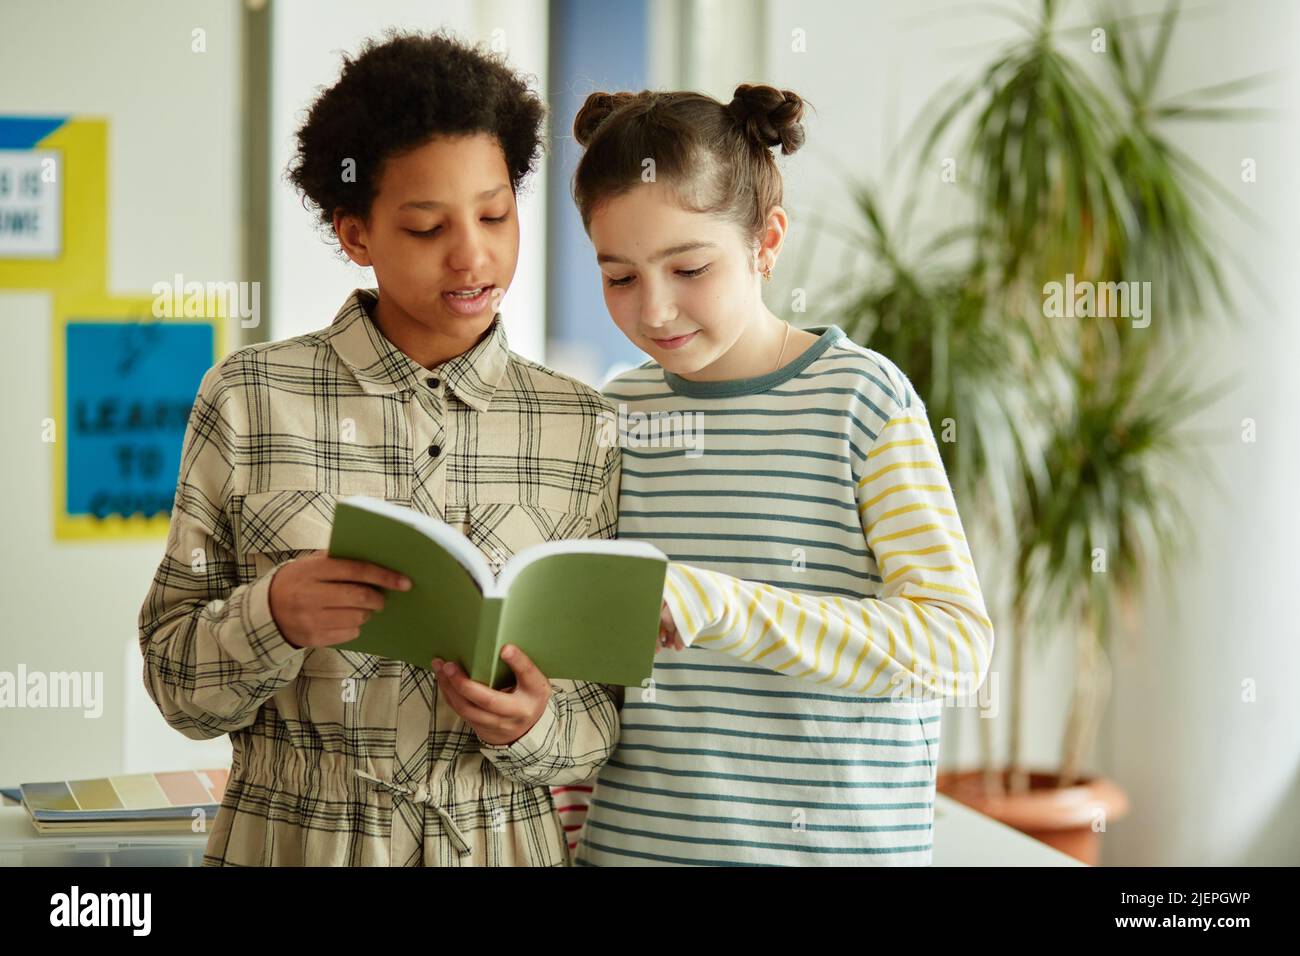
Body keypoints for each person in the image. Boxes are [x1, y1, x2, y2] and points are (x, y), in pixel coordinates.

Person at [137, 30, 620, 866]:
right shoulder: (250, 396)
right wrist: (274, 614)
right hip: (290, 840)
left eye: (496, 214)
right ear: (356, 235)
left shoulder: (582, 421)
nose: (474, 254)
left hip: (503, 843)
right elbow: (175, 685)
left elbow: (602, 718)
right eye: (428, 226)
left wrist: (536, 725)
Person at [569, 85, 995, 865]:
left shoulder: (860, 400)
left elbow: (955, 647)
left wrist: (726, 606)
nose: (655, 311)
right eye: (620, 277)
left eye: (689, 267)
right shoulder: (615, 411)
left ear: (766, 242)